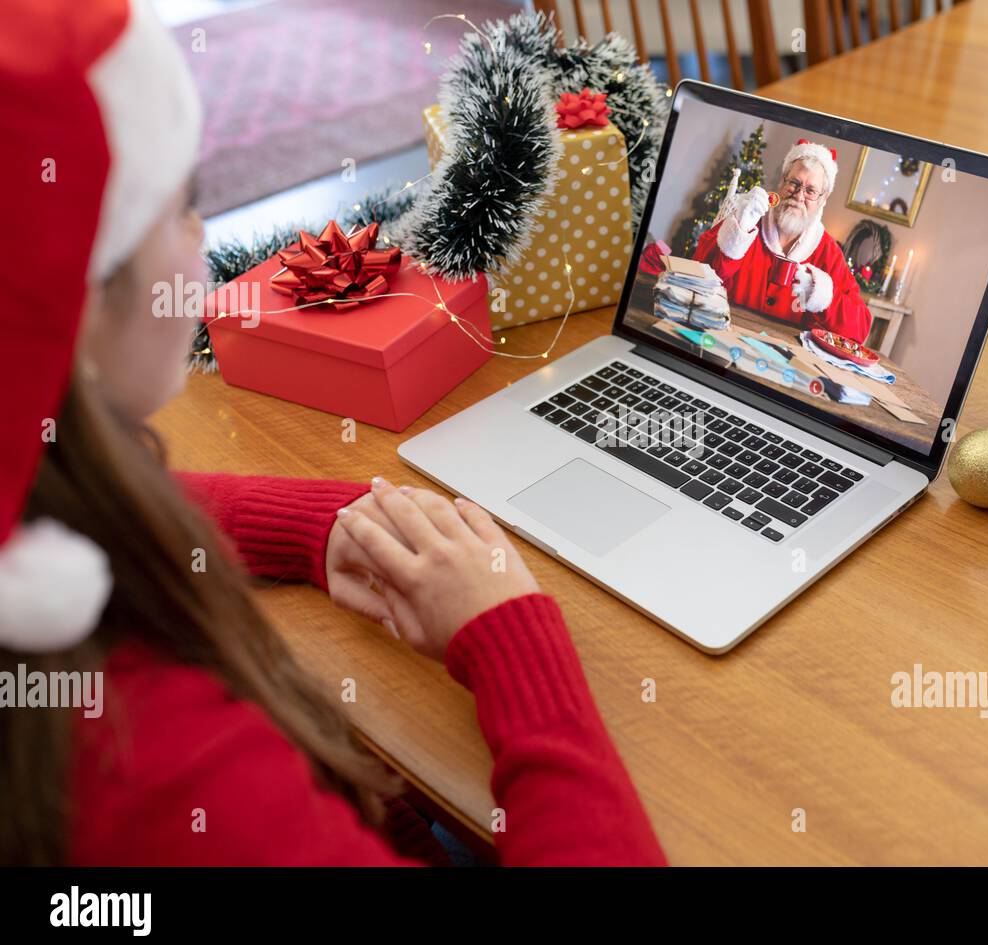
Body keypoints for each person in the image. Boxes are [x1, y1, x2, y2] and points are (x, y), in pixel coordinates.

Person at [0, 0, 665, 867]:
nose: (202, 236)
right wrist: (513, 638)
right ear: (71, 304)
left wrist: (320, 525)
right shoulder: (170, 783)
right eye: (182, 206)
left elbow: (96, 504)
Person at [693, 138, 872, 343]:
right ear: (782, 181)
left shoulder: (828, 252)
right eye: (794, 183)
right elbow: (695, 277)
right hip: (721, 338)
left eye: (811, 191)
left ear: (823, 199)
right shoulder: (747, 220)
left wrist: (825, 298)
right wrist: (736, 236)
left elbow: (860, 330)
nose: (798, 196)